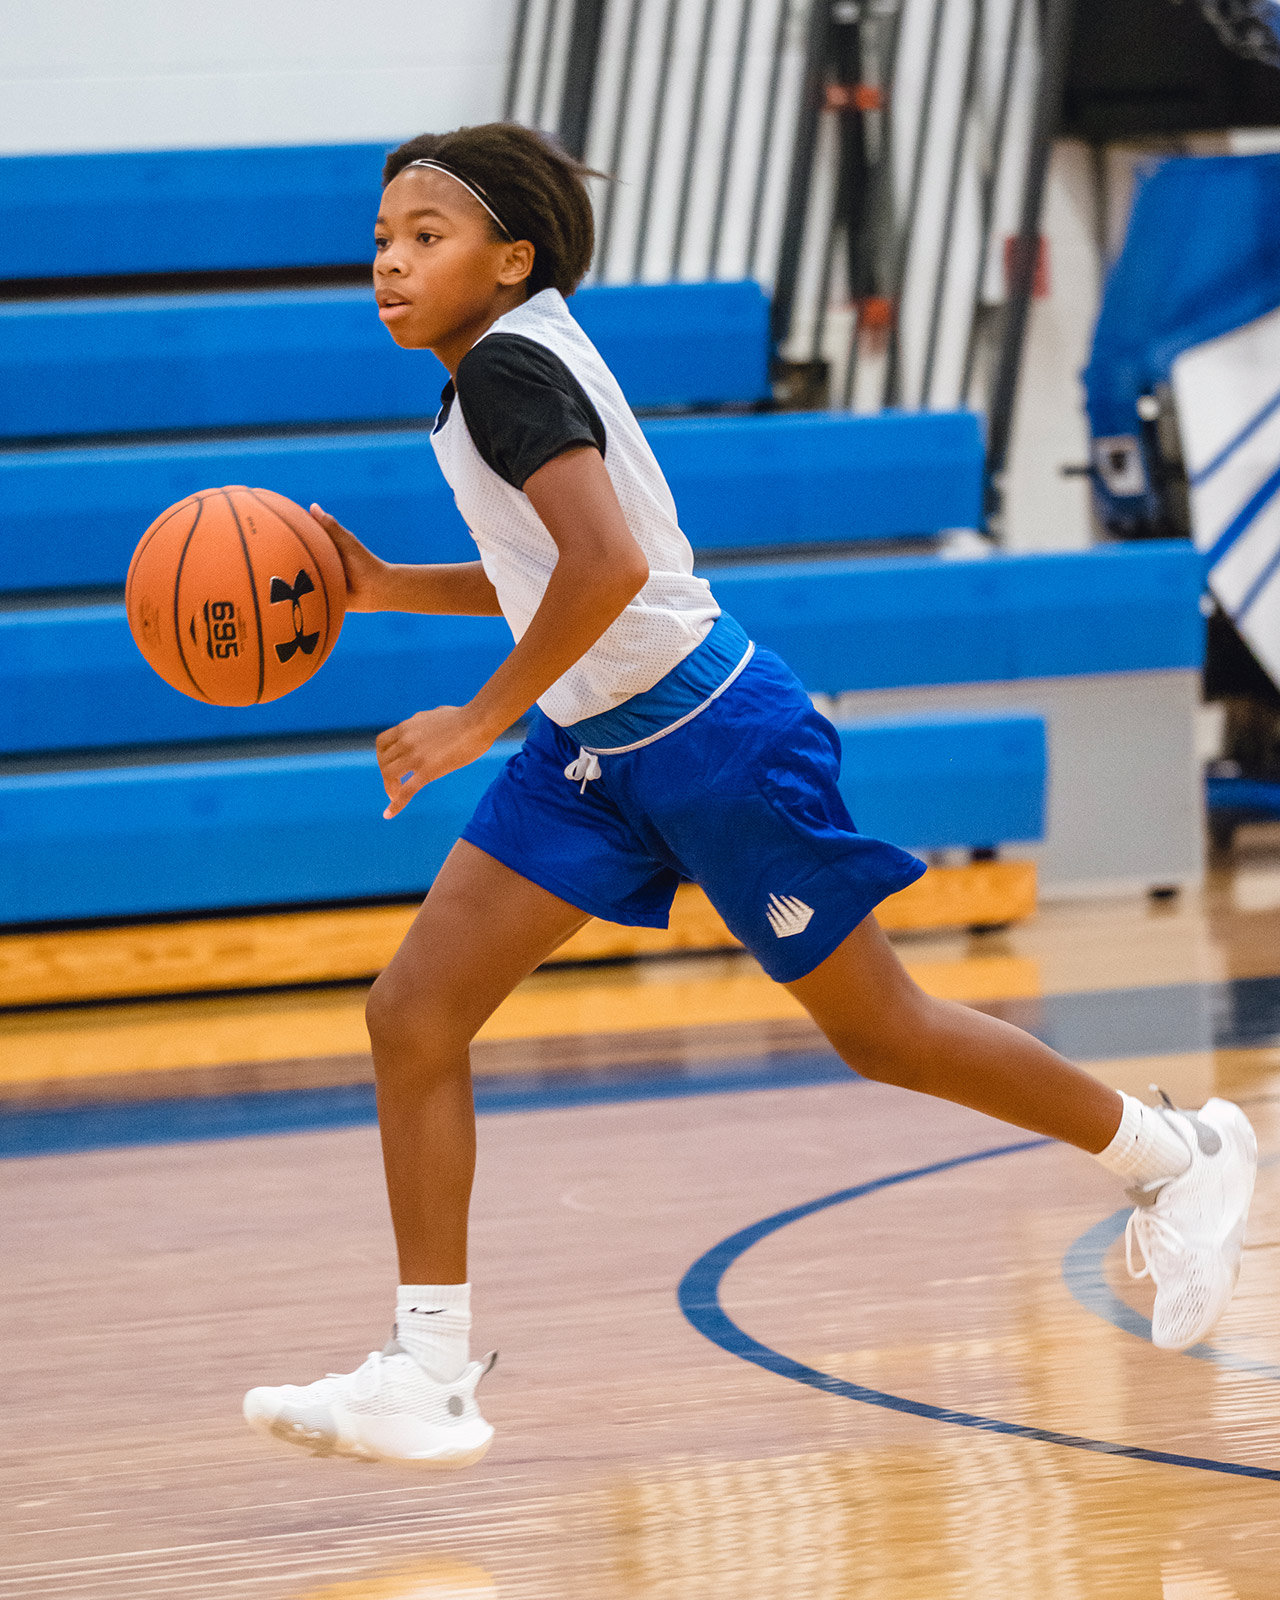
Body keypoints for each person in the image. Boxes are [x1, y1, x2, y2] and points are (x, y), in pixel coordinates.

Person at [242, 123, 1257, 1466]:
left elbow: (601, 569)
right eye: (382, 240)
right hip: (595, 752)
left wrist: (475, 720)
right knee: (413, 1014)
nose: (390, 262)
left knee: (883, 1031)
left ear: (511, 259)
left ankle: (1174, 1157)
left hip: (712, 736)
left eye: (426, 239)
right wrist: (381, 587)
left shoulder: (504, 371)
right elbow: (563, 573)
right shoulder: (503, 361)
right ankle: (426, 1371)